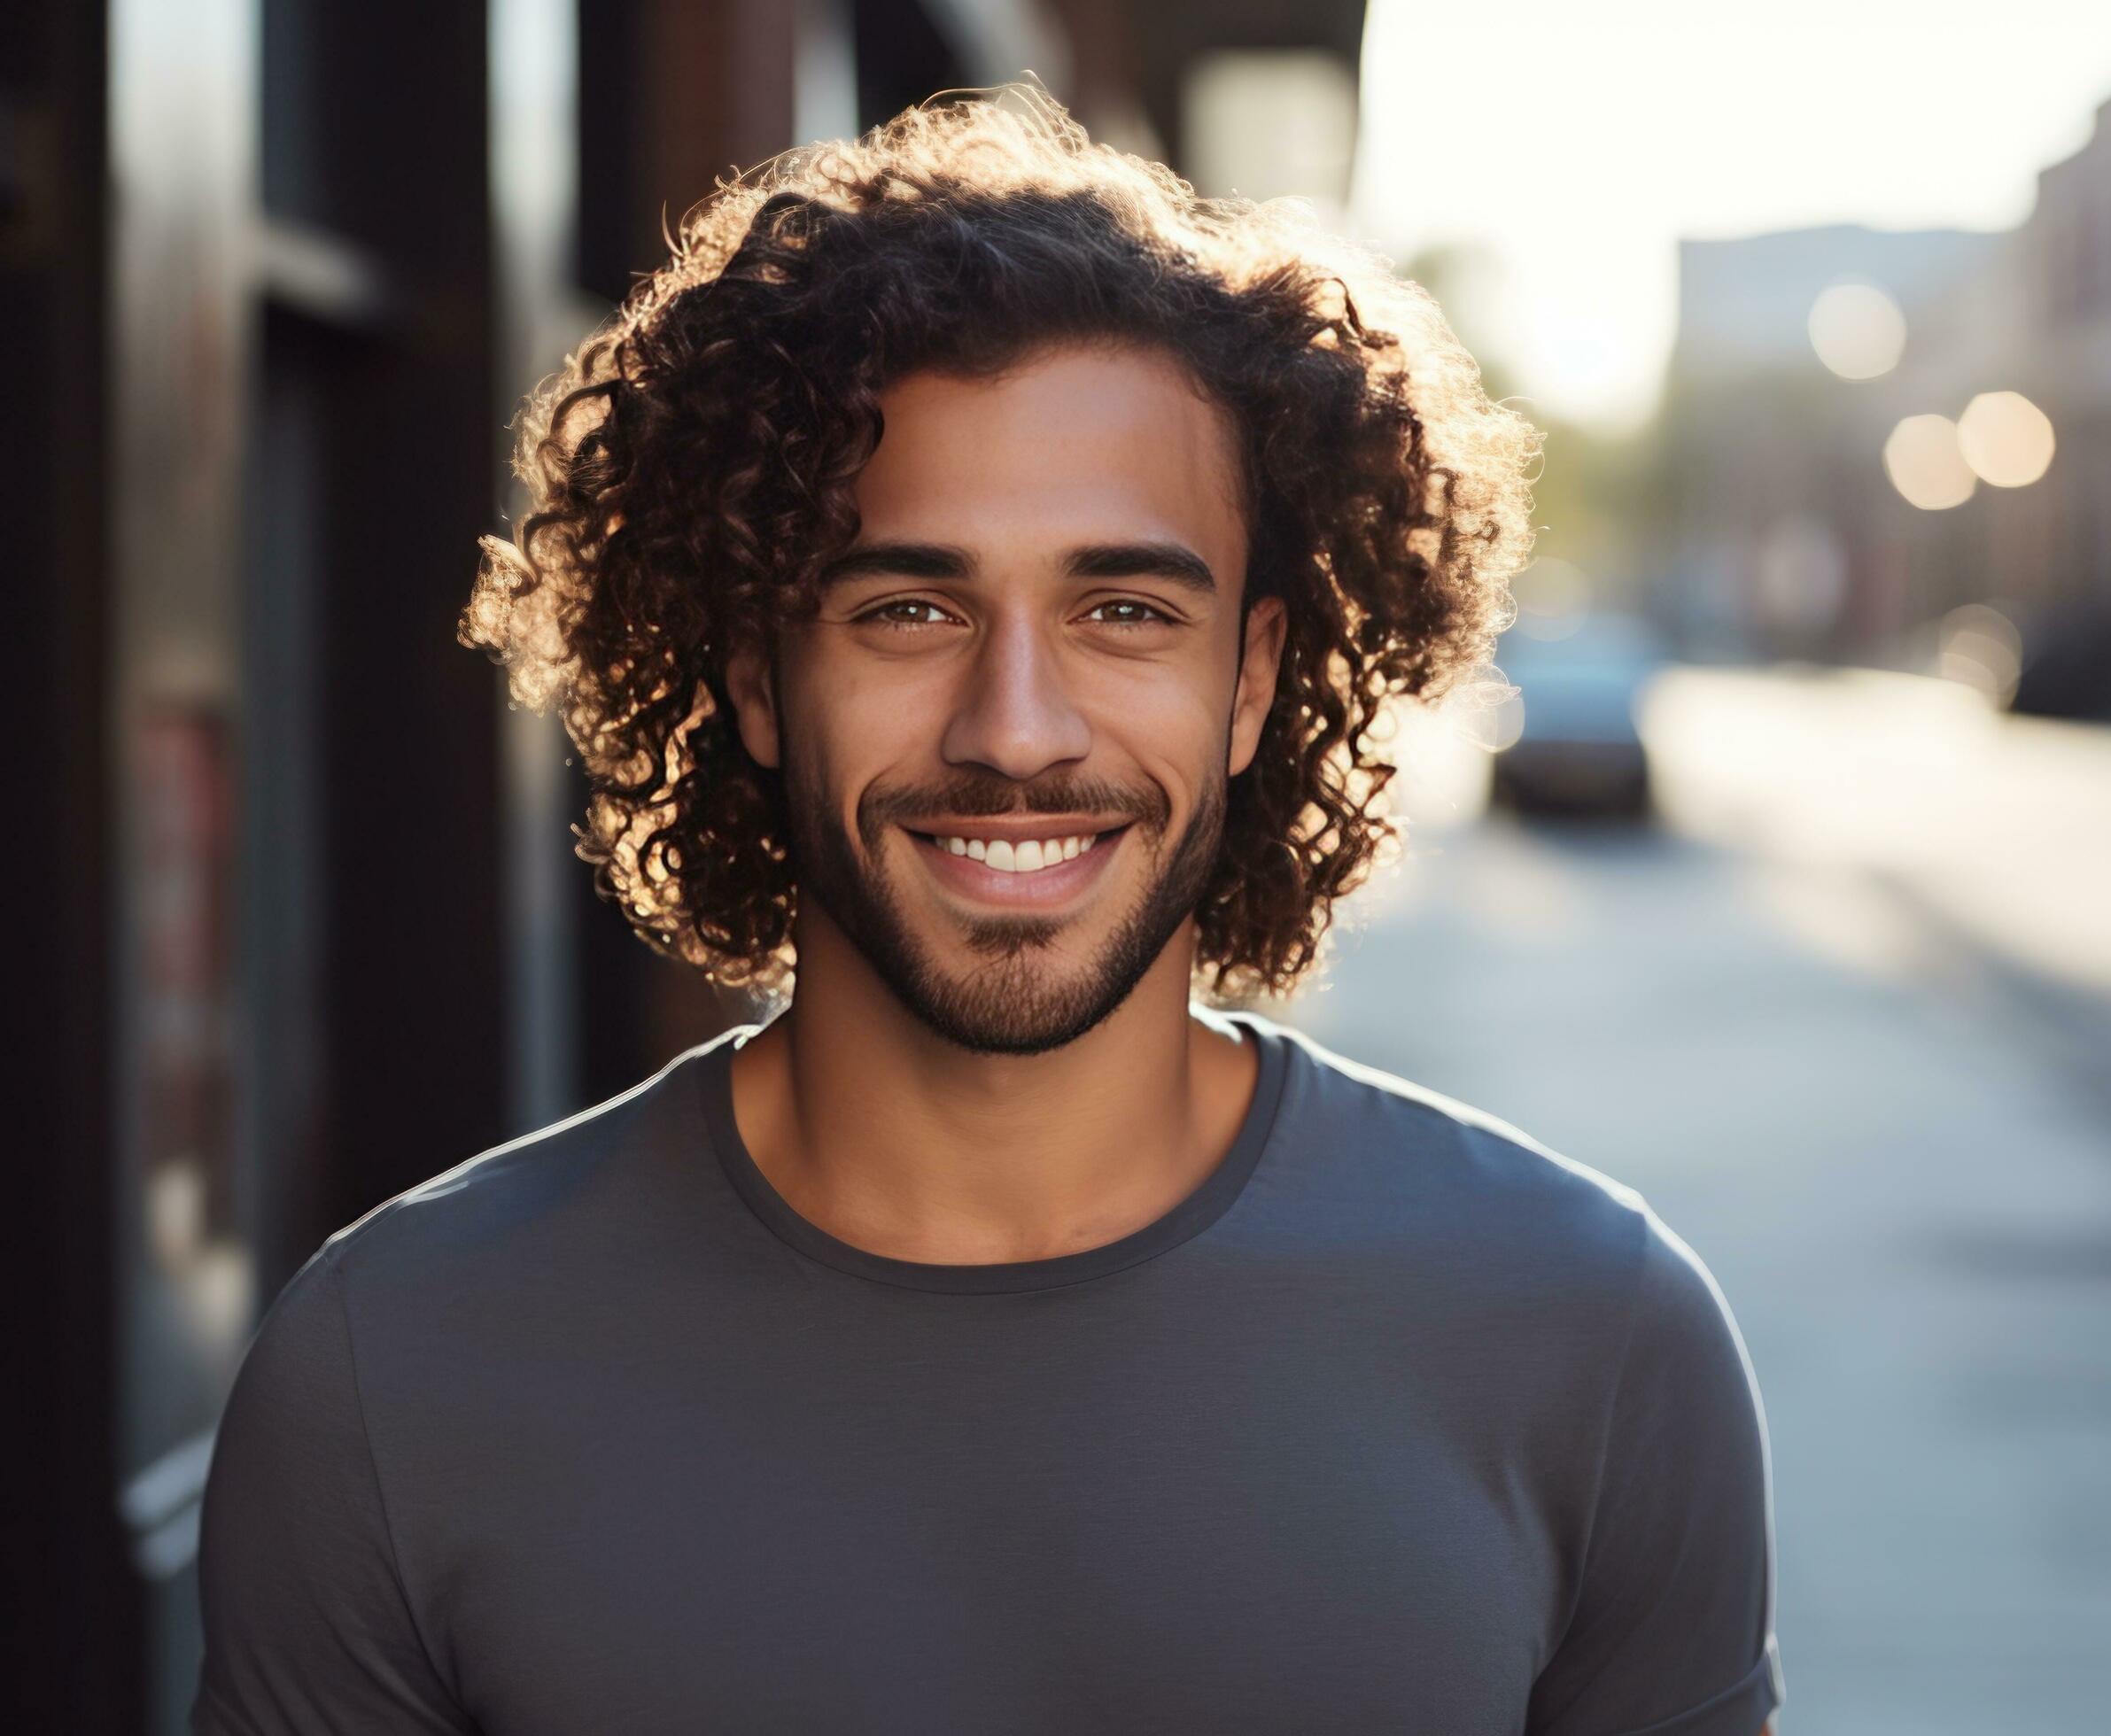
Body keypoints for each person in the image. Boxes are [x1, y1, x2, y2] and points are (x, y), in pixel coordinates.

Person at [190, 89, 1783, 1734]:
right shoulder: (392, 1376)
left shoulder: (1592, 1338)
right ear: (752, 671)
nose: (1014, 729)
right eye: (904, 607)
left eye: (1121, 609)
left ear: (1250, 682)